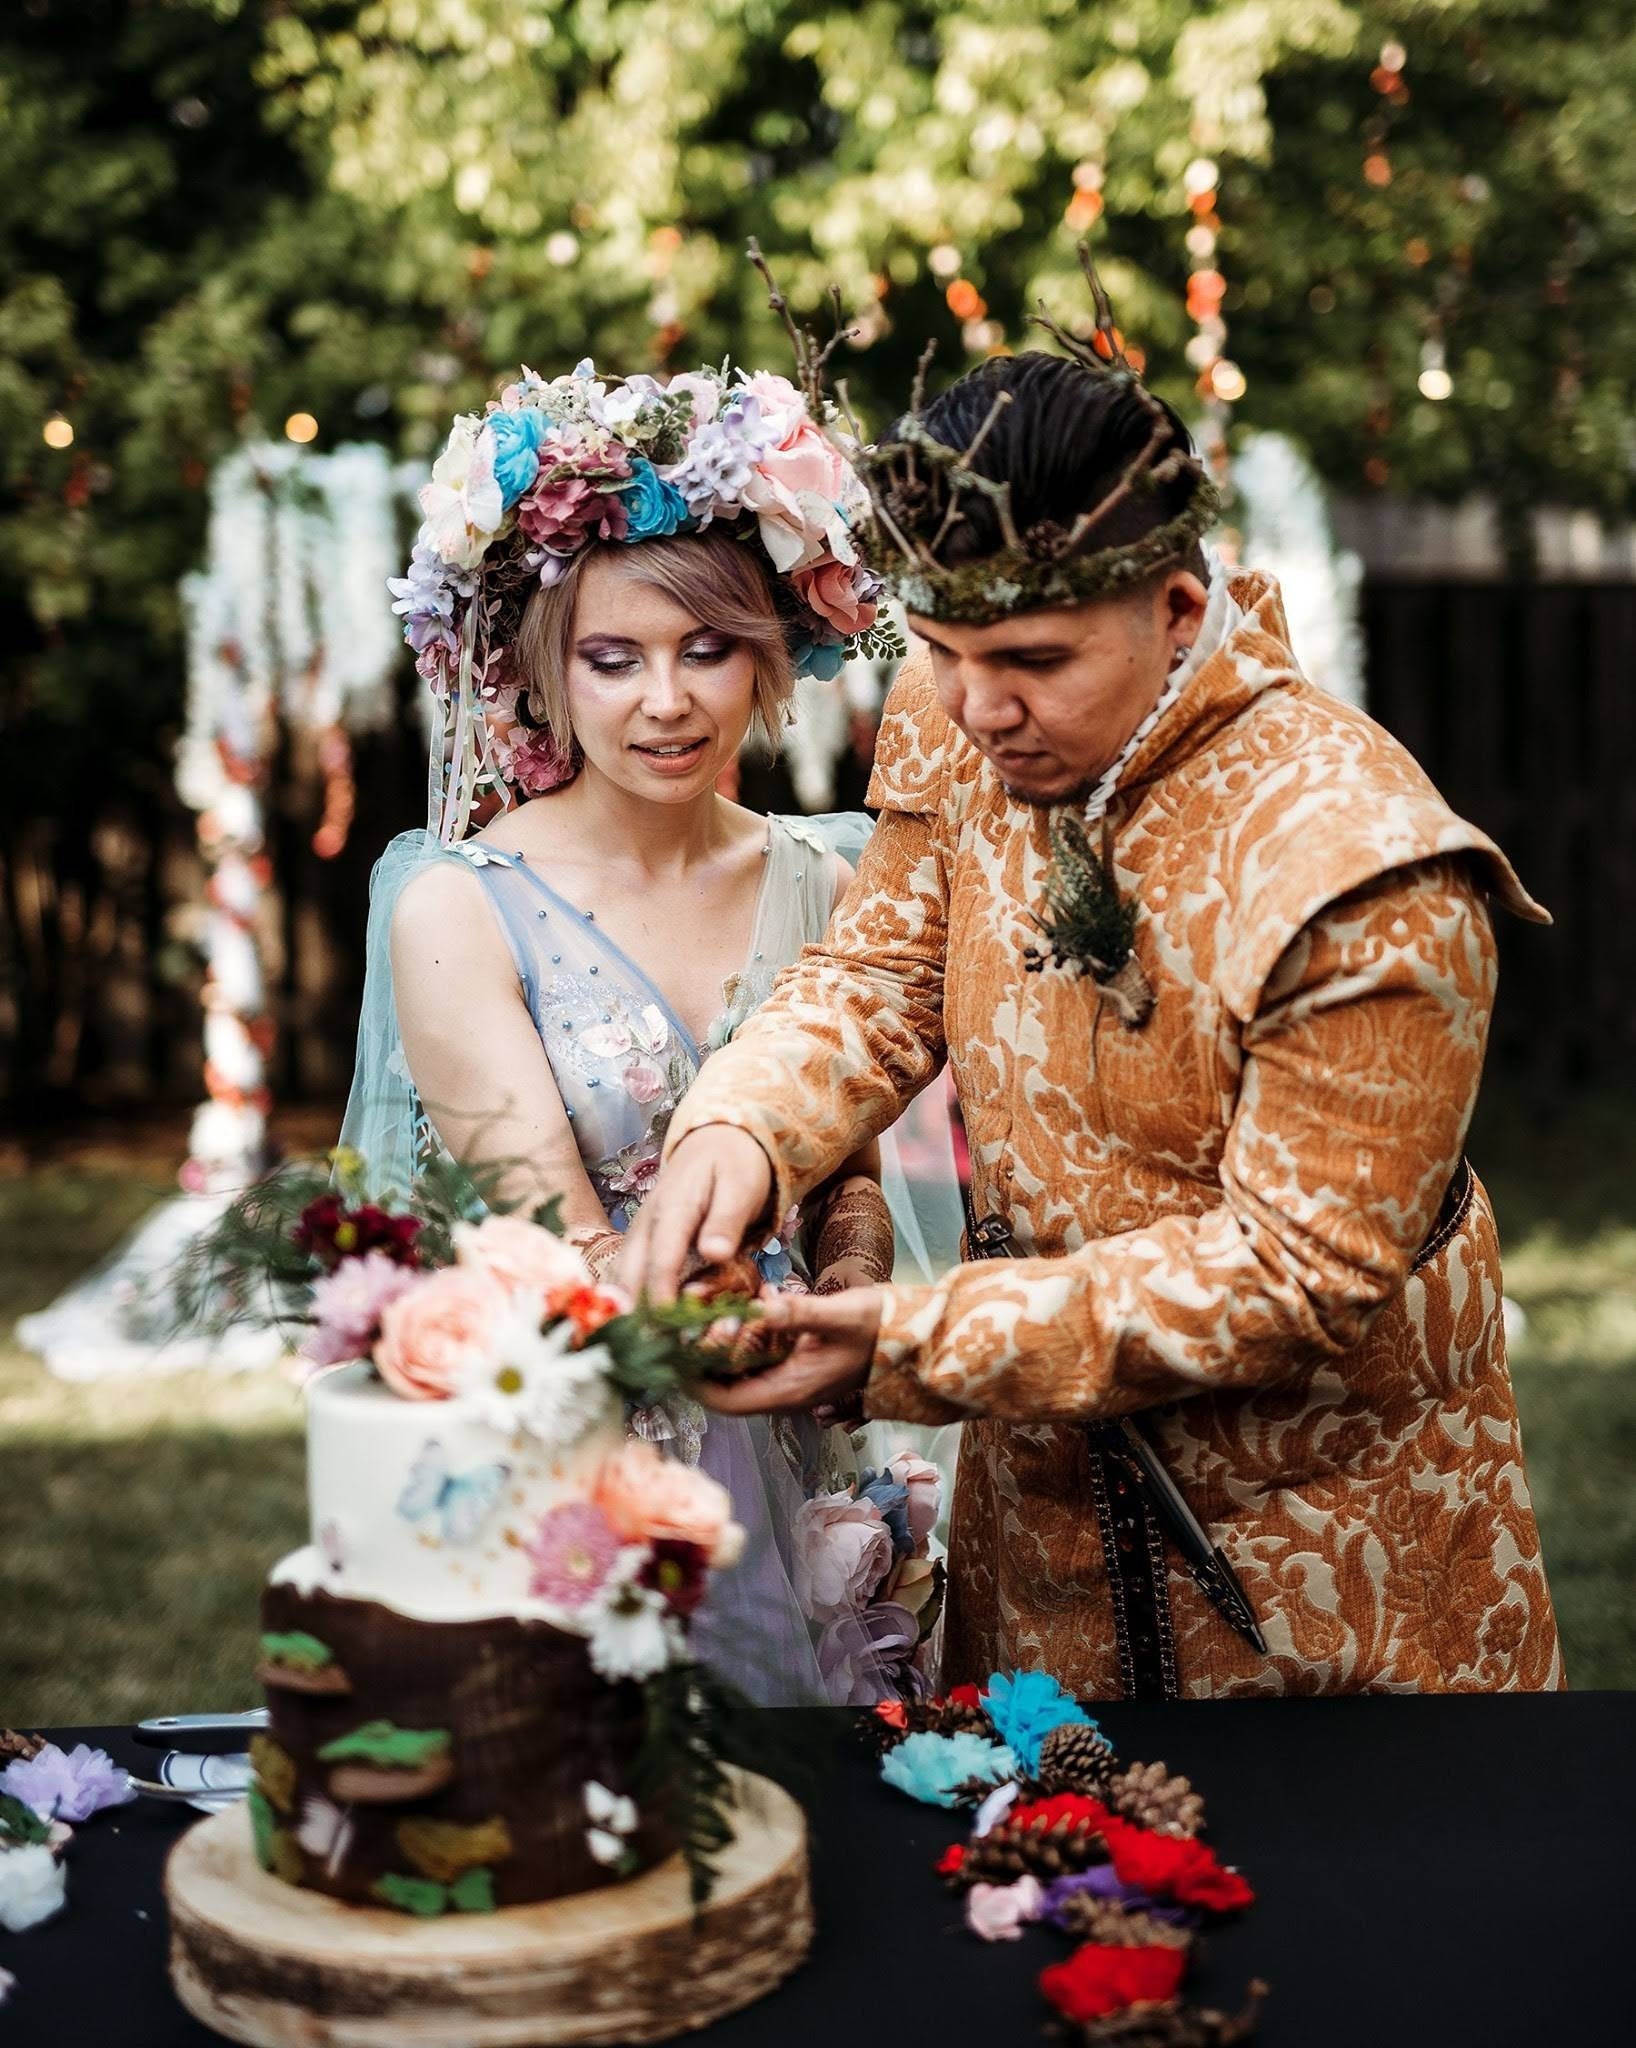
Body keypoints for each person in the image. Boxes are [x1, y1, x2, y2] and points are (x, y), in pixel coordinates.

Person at [622, 287, 1564, 1699]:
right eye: (938, 657)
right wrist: (737, 1127)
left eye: (1032, 664)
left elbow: (1294, 1279)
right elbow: (881, 971)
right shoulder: (967, 723)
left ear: (1177, 609)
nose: (973, 708)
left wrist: (905, 1345)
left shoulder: (1364, 871)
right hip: (1044, 1538)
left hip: (1324, 1582)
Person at [348, 357, 962, 1705]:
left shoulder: (825, 876)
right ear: (545, 675)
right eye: (613, 660)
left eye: (708, 651)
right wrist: (736, 1330)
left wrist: (838, 1312)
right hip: (584, 1442)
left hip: (807, 1423)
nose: (666, 702)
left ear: (772, 659)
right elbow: (552, 1237)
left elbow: (851, 1164)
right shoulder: (459, 910)